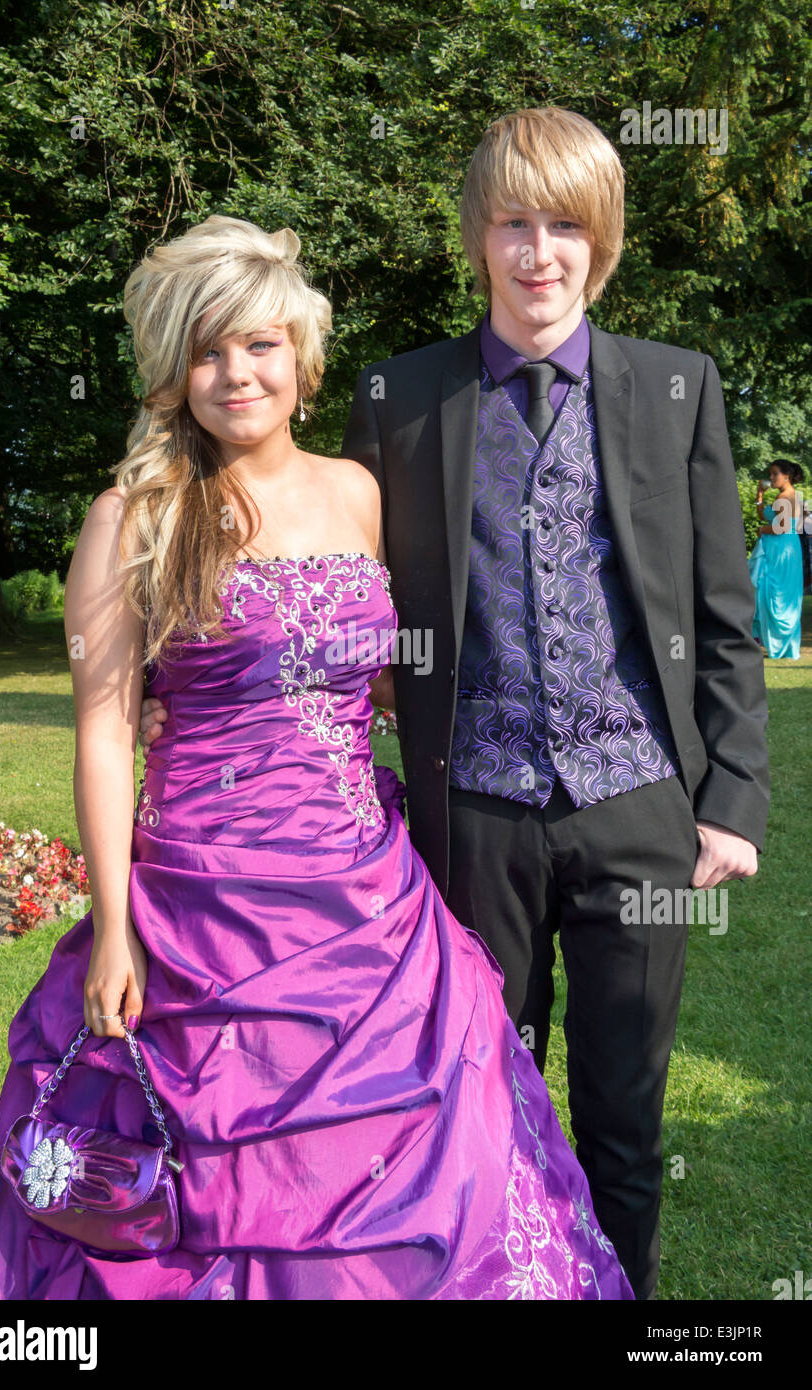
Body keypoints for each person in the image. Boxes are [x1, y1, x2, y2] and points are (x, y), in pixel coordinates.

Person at [143, 109, 769, 1301]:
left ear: (602, 241)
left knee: (626, 1115)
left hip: (636, 804)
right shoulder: (403, 395)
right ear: (478, 239)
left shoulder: (675, 388)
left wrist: (727, 798)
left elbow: (722, 611)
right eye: (513, 224)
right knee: (478, 1103)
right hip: (469, 809)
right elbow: (338, 579)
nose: (539, 253)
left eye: (565, 228)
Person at [0, 214, 633, 1300]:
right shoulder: (133, 517)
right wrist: (116, 927)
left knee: (418, 1138)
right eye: (207, 349)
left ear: (303, 359)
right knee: (217, 1153)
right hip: (202, 897)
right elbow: (100, 729)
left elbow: (379, 676)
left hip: (366, 886)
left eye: (259, 344)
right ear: (174, 371)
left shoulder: (358, 492)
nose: (235, 372)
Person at [748, 459, 804, 659]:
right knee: (779, 593)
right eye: (770, 474)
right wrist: (759, 495)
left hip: (781, 550)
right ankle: (778, 643)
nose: (771, 478)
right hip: (787, 548)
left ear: (786, 476)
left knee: (774, 593)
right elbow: (764, 515)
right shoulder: (792, 495)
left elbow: (779, 528)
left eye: (775, 474)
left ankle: (777, 644)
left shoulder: (785, 497)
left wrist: (761, 530)